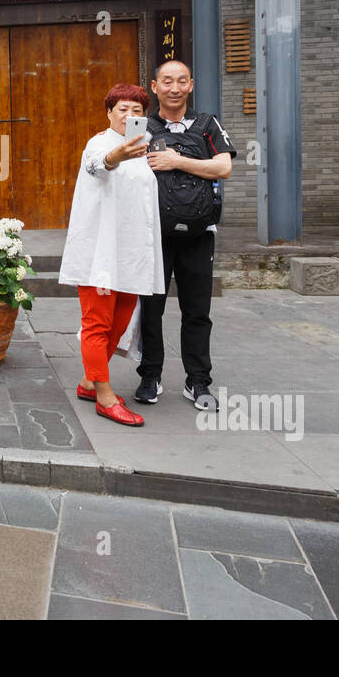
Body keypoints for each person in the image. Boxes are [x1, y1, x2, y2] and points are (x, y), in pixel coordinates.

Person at [58, 84, 164, 428]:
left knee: (119, 325)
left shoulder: (146, 150)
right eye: (123, 109)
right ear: (109, 113)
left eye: (137, 110)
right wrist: (117, 156)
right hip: (99, 254)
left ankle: (90, 383)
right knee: (97, 325)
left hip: (131, 254)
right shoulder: (100, 144)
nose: (130, 115)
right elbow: (96, 166)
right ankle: (105, 397)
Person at [135, 60, 237, 410]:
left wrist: (177, 161)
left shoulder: (207, 124)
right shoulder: (143, 126)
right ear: (154, 86)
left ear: (190, 85)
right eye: (167, 81)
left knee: (197, 310)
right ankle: (150, 376)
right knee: (151, 308)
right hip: (154, 236)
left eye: (181, 81)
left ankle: (198, 382)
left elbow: (224, 167)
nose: (174, 88)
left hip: (198, 234)